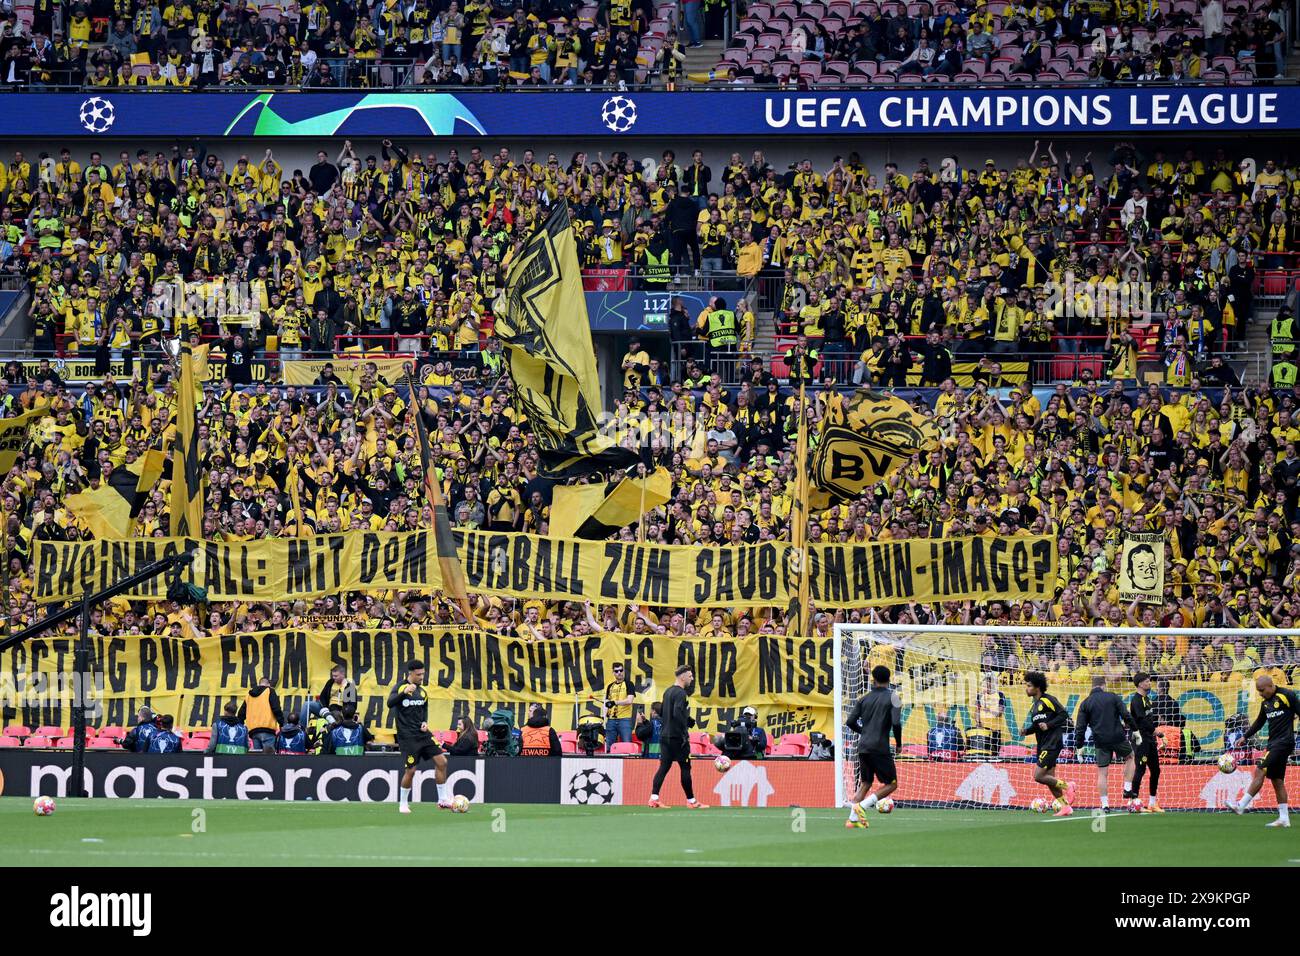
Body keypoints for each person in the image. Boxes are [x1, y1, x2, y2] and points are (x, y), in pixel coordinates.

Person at [1228, 675, 1298, 827]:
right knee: (1277, 780)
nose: (1260, 693)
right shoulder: (1265, 703)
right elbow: (1259, 722)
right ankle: (1284, 818)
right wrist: (1245, 737)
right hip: (1273, 743)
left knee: (1260, 770)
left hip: (1284, 742)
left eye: (1261, 690)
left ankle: (1241, 805)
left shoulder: (1287, 695)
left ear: (1270, 686)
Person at [388, 660, 454, 813]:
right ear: (410, 673)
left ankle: (442, 799)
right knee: (411, 771)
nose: (421, 677)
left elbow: (424, 709)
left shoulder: (422, 691)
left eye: (423, 674)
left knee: (442, 762)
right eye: (418, 675)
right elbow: (390, 703)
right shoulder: (400, 687)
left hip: (423, 734)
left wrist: (425, 721)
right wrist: (403, 693)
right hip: (407, 736)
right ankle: (403, 803)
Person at [844, 665, 902, 828]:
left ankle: (852, 820)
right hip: (879, 746)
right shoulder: (894, 697)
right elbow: (896, 723)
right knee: (892, 784)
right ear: (889, 679)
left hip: (863, 746)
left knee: (866, 782)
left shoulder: (864, 698)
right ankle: (862, 806)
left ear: (873, 679)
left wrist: (864, 732)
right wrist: (898, 744)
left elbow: (849, 722)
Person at [1073, 675, 1137, 811]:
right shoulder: (1112, 697)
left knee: (1102, 773)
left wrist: (1079, 746)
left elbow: (1080, 728)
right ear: (1103, 685)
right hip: (1117, 737)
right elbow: (1126, 715)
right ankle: (1127, 788)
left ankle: (1105, 805)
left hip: (1100, 741)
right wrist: (1135, 729)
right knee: (1130, 757)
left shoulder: (1085, 703)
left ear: (1092, 686)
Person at [649, 665, 707, 809]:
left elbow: (663, 711)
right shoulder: (681, 693)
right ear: (682, 676)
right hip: (677, 737)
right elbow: (677, 713)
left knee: (663, 767)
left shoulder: (668, 691)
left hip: (665, 736)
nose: (691, 678)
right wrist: (684, 731)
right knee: (685, 767)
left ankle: (653, 798)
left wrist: (687, 719)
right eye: (690, 675)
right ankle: (691, 801)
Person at [1020, 671, 1075, 816]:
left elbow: (1063, 714)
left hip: (1052, 743)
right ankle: (1065, 807)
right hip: (1043, 744)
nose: (1027, 688)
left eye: (1029, 685)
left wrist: (1049, 725)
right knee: (1050, 779)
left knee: (1038, 776)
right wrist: (1027, 731)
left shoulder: (1048, 699)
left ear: (1037, 687)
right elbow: (1038, 726)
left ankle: (1067, 785)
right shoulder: (1034, 707)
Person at [1127, 672, 1163, 812]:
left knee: (1156, 770)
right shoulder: (1136, 700)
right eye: (1147, 681)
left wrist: (1153, 732)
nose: (1149, 683)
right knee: (1140, 769)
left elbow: (1148, 720)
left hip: (1149, 740)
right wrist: (1155, 731)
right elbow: (1141, 721)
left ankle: (1152, 803)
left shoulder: (1147, 699)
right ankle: (1133, 801)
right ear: (1140, 684)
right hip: (1140, 740)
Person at [239, 676, 284, 753]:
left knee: (258, 760)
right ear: (268, 684)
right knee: (269, 758)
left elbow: (241, 714)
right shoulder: (270, 691)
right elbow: (276, 709)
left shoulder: (249, 695)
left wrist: (241, 726)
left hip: (254, 732)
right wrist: (281, 723)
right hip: (268, 731)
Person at [603, 661, 635, 751]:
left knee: (627, 745)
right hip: (611, 720)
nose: (619, 673)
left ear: (624, 671)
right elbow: (606, 703)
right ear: (613, 672)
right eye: (616, 671)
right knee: (609, 746)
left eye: (621, 670)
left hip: (624, 719)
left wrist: (615, 703)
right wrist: (604, 717)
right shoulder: (610, 686)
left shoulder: (629, 684)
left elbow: (630, 700)